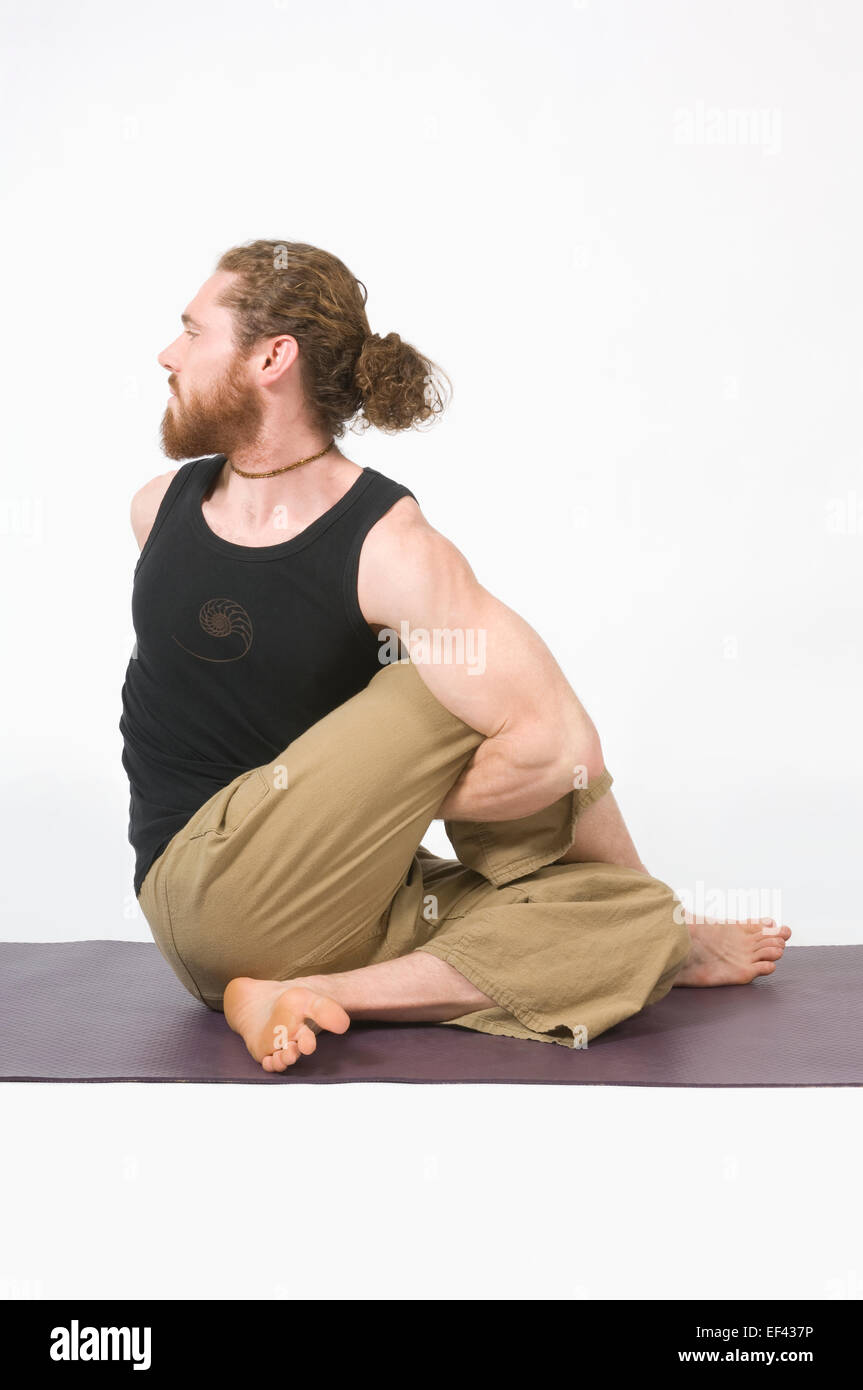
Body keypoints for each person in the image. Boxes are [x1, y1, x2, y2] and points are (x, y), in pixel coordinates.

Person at [120, 239, 790, 1074]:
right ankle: (667, 925)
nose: (167, 354)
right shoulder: (162, 511)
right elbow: (558, 744)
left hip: (309, 920)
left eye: (191, 332)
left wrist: (399, 808)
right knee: (447, 690)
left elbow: (553, 753)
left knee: (631, 928)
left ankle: (298, 991)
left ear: (270, 357)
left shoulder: (379, 544)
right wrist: (415, 794)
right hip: (212, 884)